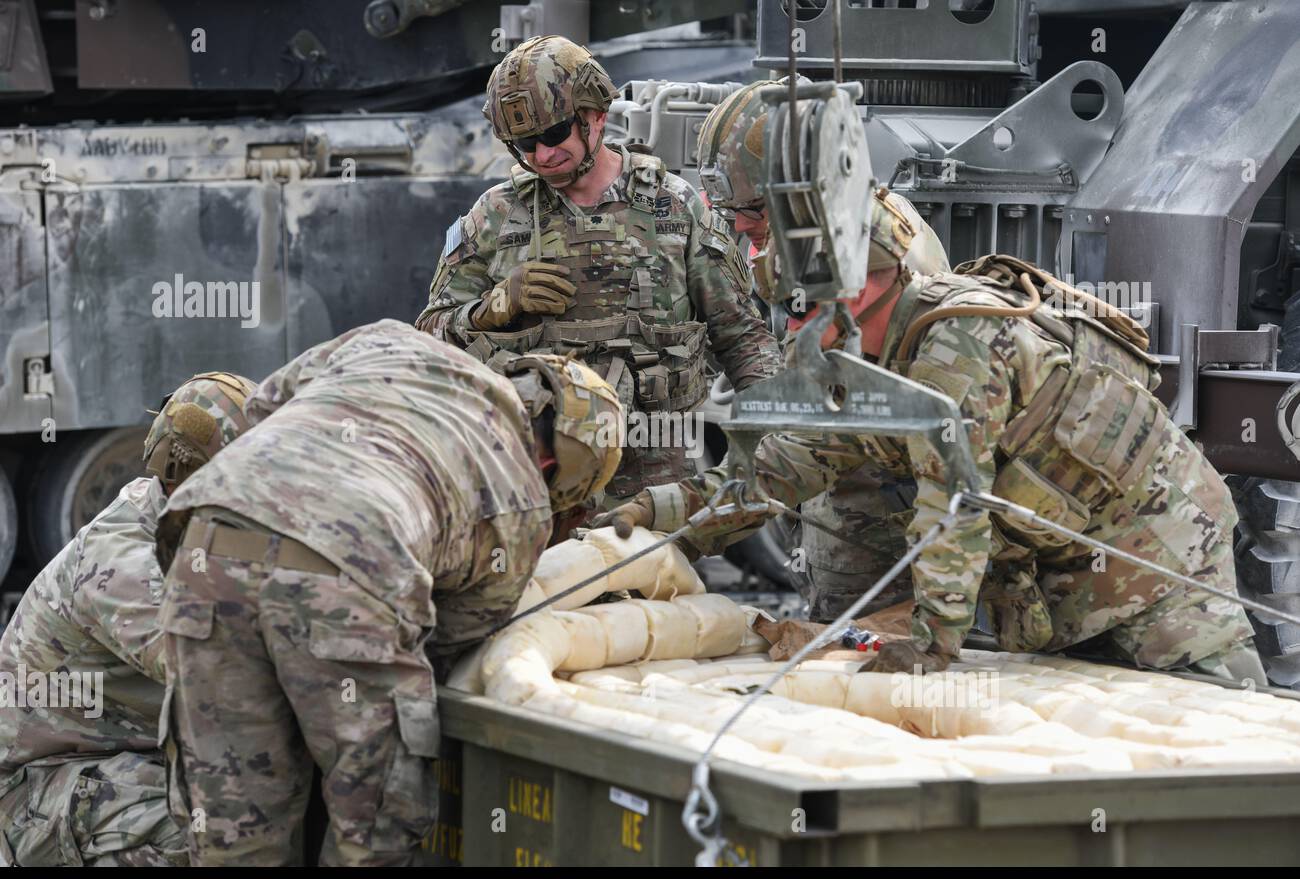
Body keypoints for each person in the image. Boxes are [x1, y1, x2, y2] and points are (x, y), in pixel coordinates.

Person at [598, 240, 1265, 681]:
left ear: (858, 296)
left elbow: (955, 504)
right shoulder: (860, 368)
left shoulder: (958, 346)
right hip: (1053, 591)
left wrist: (932, 644)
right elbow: (774, 473)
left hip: (1159, 568)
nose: (789, 332)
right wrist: (656, 517)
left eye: (800, 311)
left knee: (1221, 767)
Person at [155, 320, 622, 865]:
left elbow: (263, 408)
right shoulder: (521, 498)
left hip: (206, 543)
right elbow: (450, 642)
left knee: (234, 824)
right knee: (374, 824)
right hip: (352, 577)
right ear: (554, 469)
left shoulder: (386, 340)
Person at [415, 35, 781, 507]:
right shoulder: (496, 217)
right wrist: (492, 309)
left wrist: (762, 453)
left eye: (553, 135)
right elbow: (429, 337)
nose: (542, 155)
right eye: (525, 144)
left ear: (595, 116)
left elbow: (744, 340)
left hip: (654, 484)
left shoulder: (674, 207)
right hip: (538, 481)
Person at [695, 79, 951, 619]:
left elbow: (847, 417)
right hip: (830, 494)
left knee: (870, 658)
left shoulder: (871, 252)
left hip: (878, 517)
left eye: (755, 209)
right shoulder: (804, 238)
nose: (741, 226)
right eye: (732, 209)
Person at [0, 372, 256, 865]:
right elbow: (215, 668)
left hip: (115, 760)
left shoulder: (195, 527)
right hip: (34, 796)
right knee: (217, 821)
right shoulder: (121, 561)